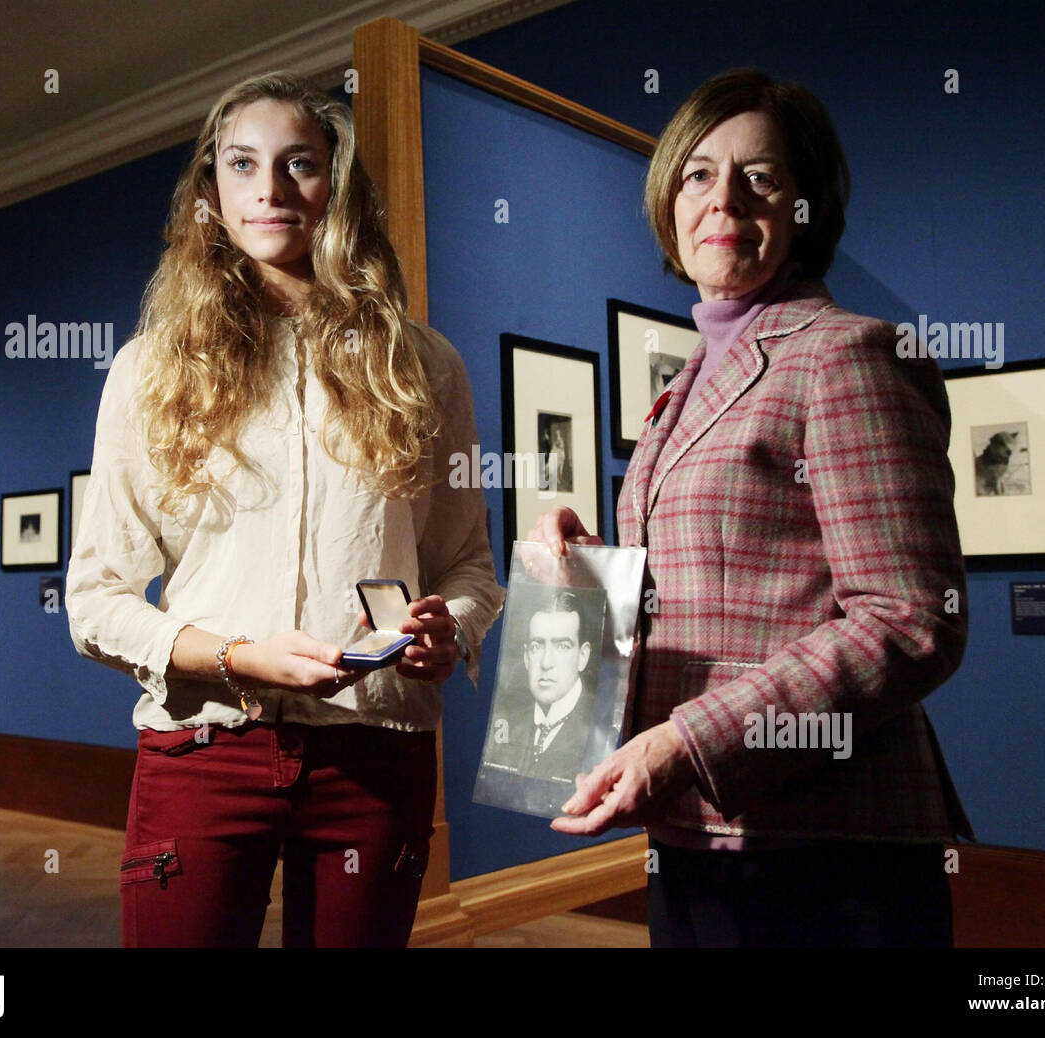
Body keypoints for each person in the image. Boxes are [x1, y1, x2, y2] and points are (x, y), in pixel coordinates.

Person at [530, 68, 972, 948]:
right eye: (697, 173)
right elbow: (711, 592)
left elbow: (913, 620)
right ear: (669, 202)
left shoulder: (847, 355)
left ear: (805, 210)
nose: (722, 196)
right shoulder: (684, 388)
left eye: (760, 177)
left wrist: (687, 741)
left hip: (827, 850)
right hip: (696, 831)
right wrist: (585, 566)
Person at [65, 71, 503, 948]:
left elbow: (468, 568)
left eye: (299, 163)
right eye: (242, 164)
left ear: (336, 186)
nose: (269, 189)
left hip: (374, 750)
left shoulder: (425, 365)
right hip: (205, 748)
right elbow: (97, 599)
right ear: (210, 194)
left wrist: (448, 628)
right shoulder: (150, 371)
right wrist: (238, 657)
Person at [506, 591, 596, 780]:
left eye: (562, 646)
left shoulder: (600, 726)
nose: (546, 663)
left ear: (583, 656)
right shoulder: (506, 724)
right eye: (537, 646)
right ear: (526, 657)